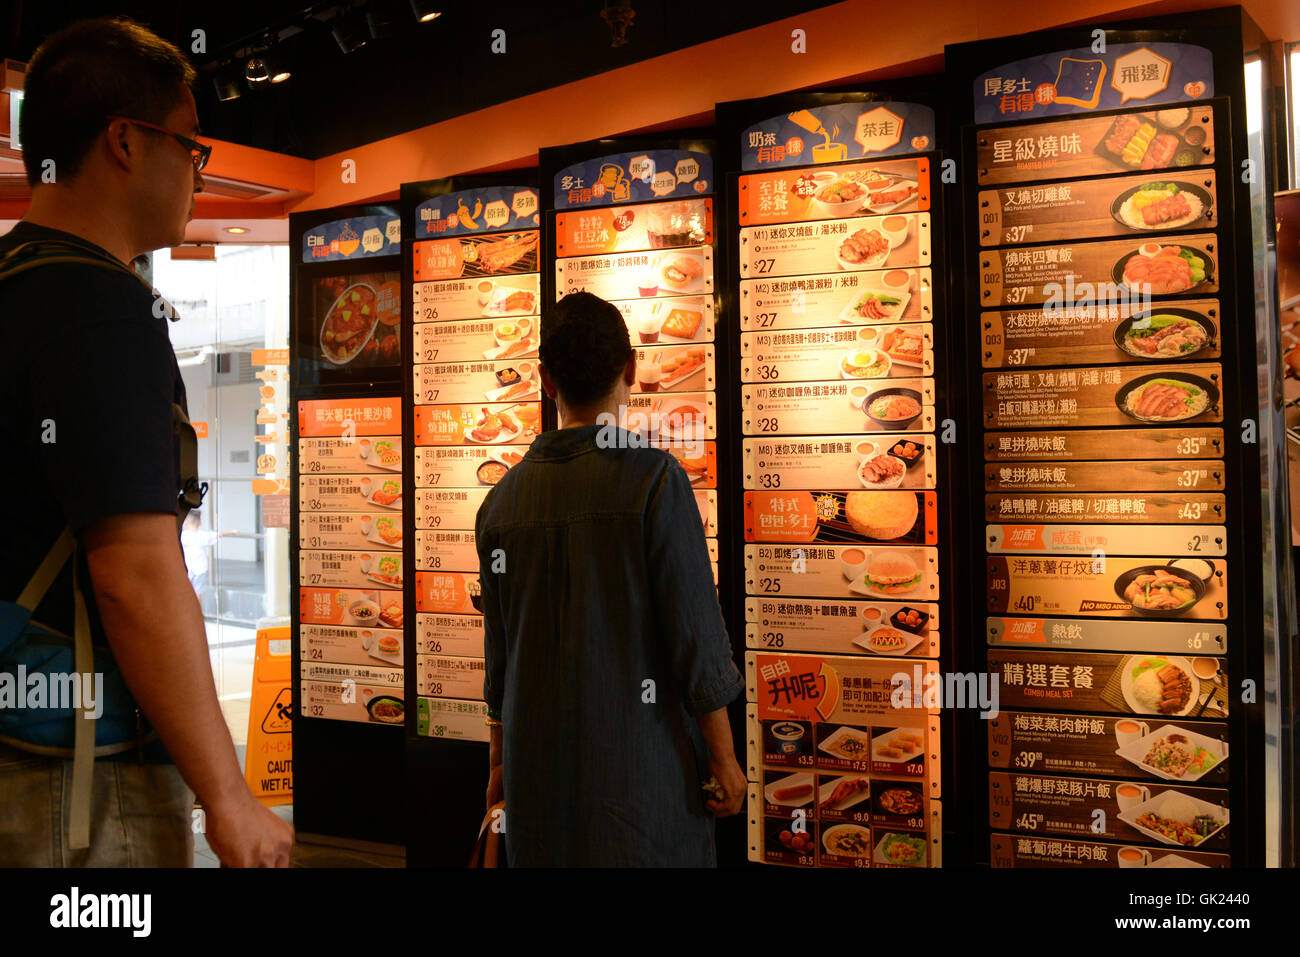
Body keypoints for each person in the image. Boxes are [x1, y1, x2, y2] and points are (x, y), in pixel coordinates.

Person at [0, 17, 292, 867]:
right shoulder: (101, 310)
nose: (197, 171)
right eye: (190, 145)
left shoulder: (14, 287)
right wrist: (229, 796)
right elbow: (134, 572)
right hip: (80, 784)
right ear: (125, 141)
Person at [477, 291, 746, 866]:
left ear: (546, 379)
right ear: (629, 369)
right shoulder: (653, 482)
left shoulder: (501, 503)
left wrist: (500, 764)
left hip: (538, 780)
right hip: (643, 783)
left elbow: (498, 656)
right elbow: (695, 634)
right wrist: (724, 756)